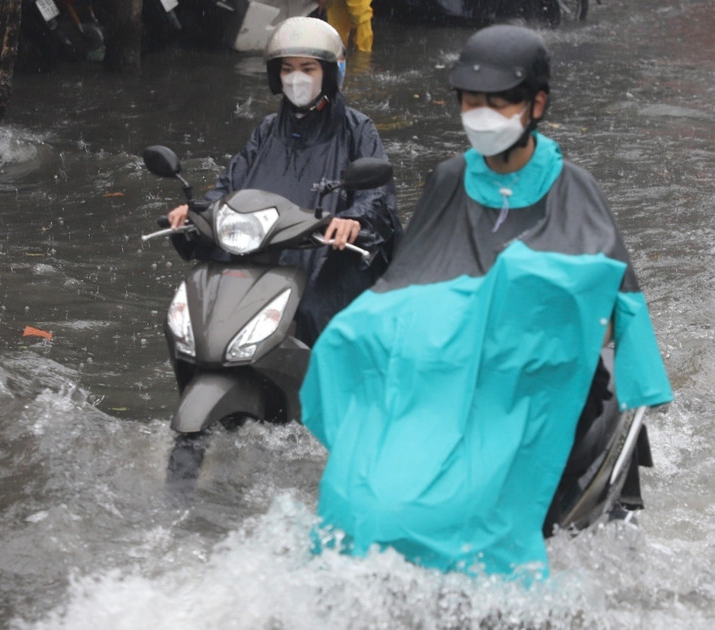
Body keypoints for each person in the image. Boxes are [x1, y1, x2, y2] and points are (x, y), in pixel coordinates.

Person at [299, 25, 673, 578]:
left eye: (498, 103)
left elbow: (614, 297)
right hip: (453, 369)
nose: (482, 115)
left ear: (536, 104)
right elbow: (406, 280)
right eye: (472, 103)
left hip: (539, 377)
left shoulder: (574, 188)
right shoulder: (449, 179)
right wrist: (358, 330)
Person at [167, 16, 400, 347]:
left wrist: (353, 219)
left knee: (317, 312)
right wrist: (195, 211)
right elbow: (230, 185)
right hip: (257, 254)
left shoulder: (357, 129)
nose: (296, 78)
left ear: (330, 72)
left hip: (325, 260)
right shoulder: (266, 130)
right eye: (287, 69)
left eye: (308, 68)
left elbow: (376, 195)